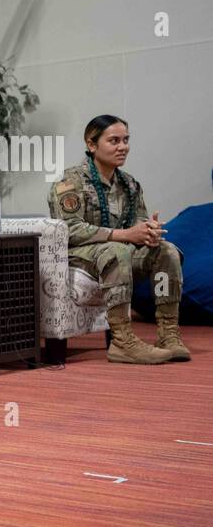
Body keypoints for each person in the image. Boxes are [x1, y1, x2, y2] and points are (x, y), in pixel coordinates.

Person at [48, 115, 188, 363]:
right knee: (117, 250)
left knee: (167, 252)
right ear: (92, 145)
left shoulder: (130, 184)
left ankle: (168, 333)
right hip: (79, 254)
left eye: (125, 140)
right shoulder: (69, 183)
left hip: (116, 251)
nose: (122, 147)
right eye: (114, 141)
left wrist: (148, 230)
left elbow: (137, 220)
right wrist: (125, 235)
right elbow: (70, 228)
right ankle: (122, 341)